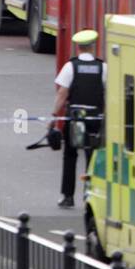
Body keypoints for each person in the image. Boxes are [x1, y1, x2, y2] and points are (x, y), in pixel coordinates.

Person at [49, 30, 106, 209]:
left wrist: (53, 115)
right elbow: (109, 93)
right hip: (95, 118)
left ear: (78, 47)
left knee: (70, 156)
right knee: (92, 157)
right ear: (93, 46)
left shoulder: (70, 66)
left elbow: (62, 93)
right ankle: (89, 195)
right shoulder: (102, 67)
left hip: (75, 119)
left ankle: (67, 196)